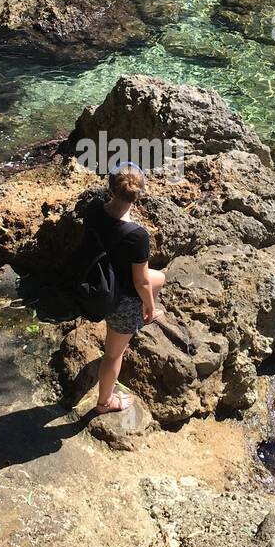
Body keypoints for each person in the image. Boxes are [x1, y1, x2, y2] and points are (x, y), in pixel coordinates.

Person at [85, 161, 166, 414]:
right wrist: (151, 307)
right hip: (121, 300)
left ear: (111, 188)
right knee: (112, 356)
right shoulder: (137, 235)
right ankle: (104, 403)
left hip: (97, 284)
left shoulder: (94, 210)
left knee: (160, 278)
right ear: (138, 195)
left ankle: (140, 318)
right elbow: (140, 282)